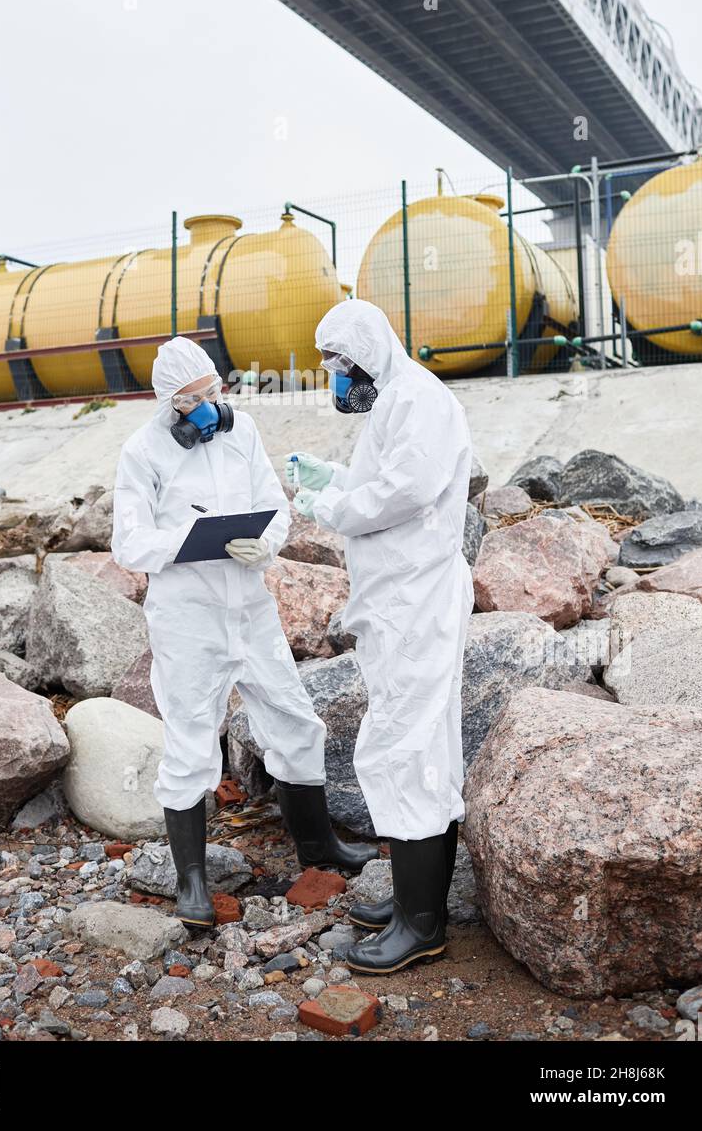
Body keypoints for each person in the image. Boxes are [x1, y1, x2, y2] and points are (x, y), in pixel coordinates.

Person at [111, 335, 377, 929]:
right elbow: (127, 542)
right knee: (190, 742)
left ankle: (318, 847)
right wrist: (190, 542)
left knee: (294, 720)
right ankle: (193, 882)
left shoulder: (244, 432)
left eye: (214, 390)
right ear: (169, 403)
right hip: (188, 619)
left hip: (250, 608)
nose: (210, 404)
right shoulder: (142, 452)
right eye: (194, 399)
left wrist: (267, 544)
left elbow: (274, 505)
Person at [287, 299, 474, 974]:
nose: (337, 379)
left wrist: (329, 505)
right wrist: (332, 479)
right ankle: (412, 905)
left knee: (406, 746)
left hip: (415, 601)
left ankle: (421, 924)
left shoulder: (419, 399)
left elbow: (408, 489)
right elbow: (381, 480)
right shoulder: (399, 398)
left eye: (341, 364)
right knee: (409, 743)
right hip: (400, 602)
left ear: (367, 353)